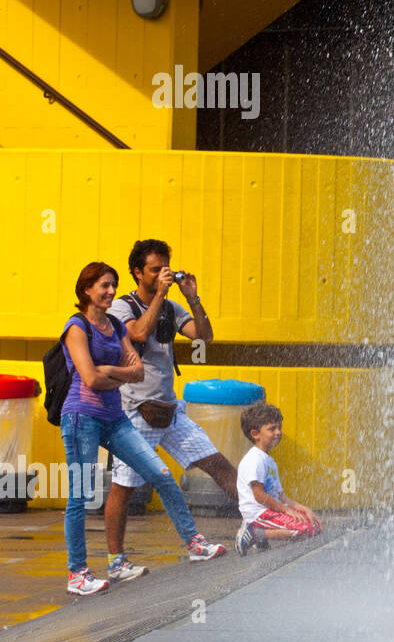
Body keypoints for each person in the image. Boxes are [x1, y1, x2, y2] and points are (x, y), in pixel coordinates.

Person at [60, 262, 226, 596]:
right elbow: (89, 379)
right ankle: (78, 573)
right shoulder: (77, 327)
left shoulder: (116, 326)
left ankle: (194, 542)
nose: (109, 291)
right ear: (86, 290)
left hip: (114, 418)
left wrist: (109, 369)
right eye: (103, 286)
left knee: (161, 473)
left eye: (112, 285)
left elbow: (136, 373)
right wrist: (115, 370)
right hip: (81, 418)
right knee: (79, 497)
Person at [102, 239, 235, 582]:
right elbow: (138, 333)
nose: (163, 273)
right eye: (154, 269)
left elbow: (203, 338)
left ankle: (259, 521)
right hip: (134, 412)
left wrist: (192, 296)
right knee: (124, 487)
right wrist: (160, 295)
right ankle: (116, 561)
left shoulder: (173, 307)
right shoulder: (121, 308)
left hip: (170, 411)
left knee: (218, 465)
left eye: (166, 268)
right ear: (137, 272)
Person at [234, 401, 323, 555]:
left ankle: (259, 535)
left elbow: (280, 496)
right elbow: (259, 495)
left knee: (314, 525)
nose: (278, 432)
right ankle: (254, 533)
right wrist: (286, 510)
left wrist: (303, 509)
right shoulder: (255, 459)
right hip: (258, 512)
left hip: (269, 511)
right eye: (272, 429)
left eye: (279, 428)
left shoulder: (269, 461)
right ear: (255, 434)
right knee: (304, 529)